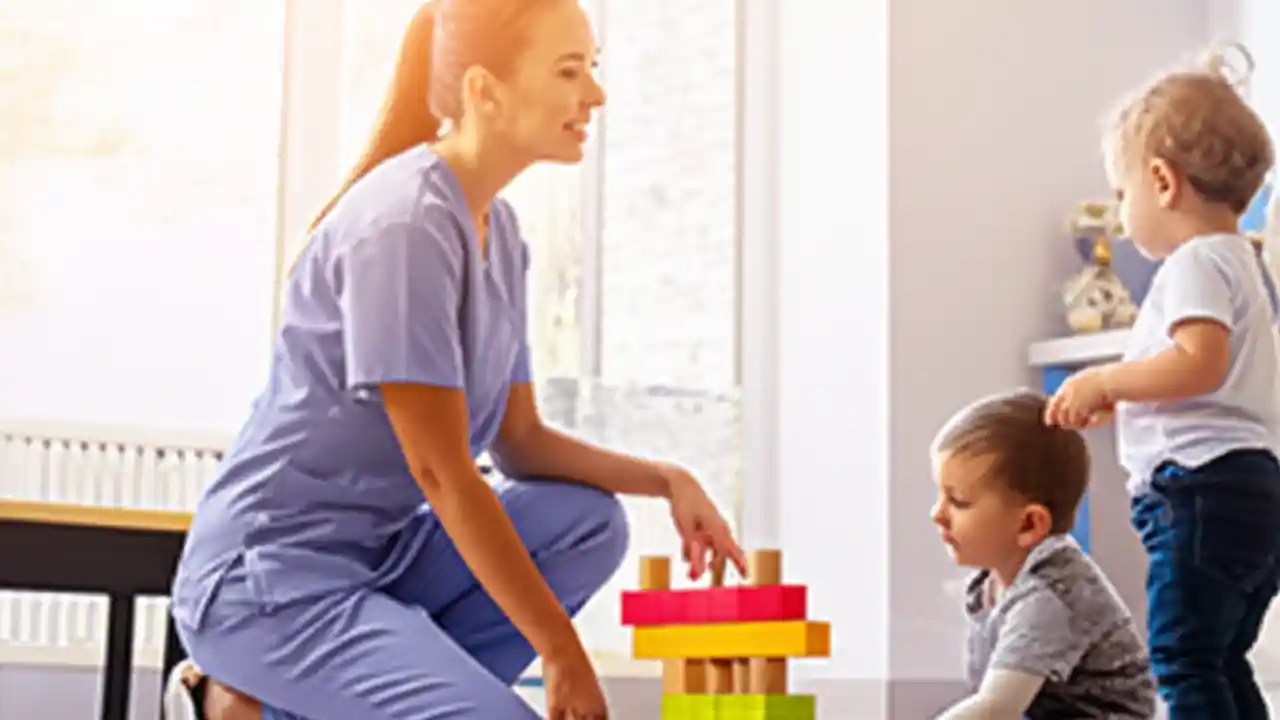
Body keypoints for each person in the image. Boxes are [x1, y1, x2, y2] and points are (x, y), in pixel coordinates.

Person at [161, 1, 747, 718]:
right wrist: (563, 654)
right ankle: (249, 683)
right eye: (569, 71)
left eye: (591, 69)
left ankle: (259, 705)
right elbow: (443, 473)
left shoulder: (497, 228)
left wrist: (667, 479)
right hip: (271, 579)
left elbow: (522, 442)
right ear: (483, 90)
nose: (594, 94)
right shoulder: (404, 227)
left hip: (380, 558)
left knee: (587, 523)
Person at [1045, 41, 1280, 719]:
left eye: (1123, 195)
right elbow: (1208, 379)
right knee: (1220, 659)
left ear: (1163, 181)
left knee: (1182, 660)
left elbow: (1198, 362)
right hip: (1245, 489)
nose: (1121, 216)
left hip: (1200, 490)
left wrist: (1110, 382)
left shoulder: (1195, 264)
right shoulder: (1243, 263)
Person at [931, 389, 1156, 719]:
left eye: (960, 501)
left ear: (1029, 525)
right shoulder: (990, 586)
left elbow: (997, 707)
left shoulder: (1049, 595)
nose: (937, 514)